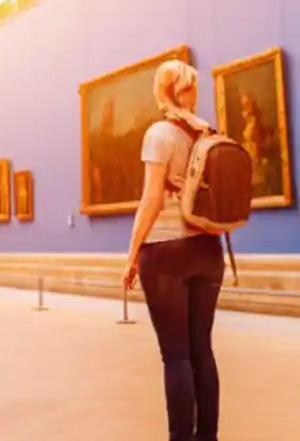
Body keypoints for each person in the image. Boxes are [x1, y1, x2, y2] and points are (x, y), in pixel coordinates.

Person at [123, 59, 226, 441]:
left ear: (161, 91)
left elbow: (151, 200)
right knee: (203, 350)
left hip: (166, 251)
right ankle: (208, 437)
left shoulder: (159, 135)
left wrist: (133, 252)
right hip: (208, 249)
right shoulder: (206, 133)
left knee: (177, 355)